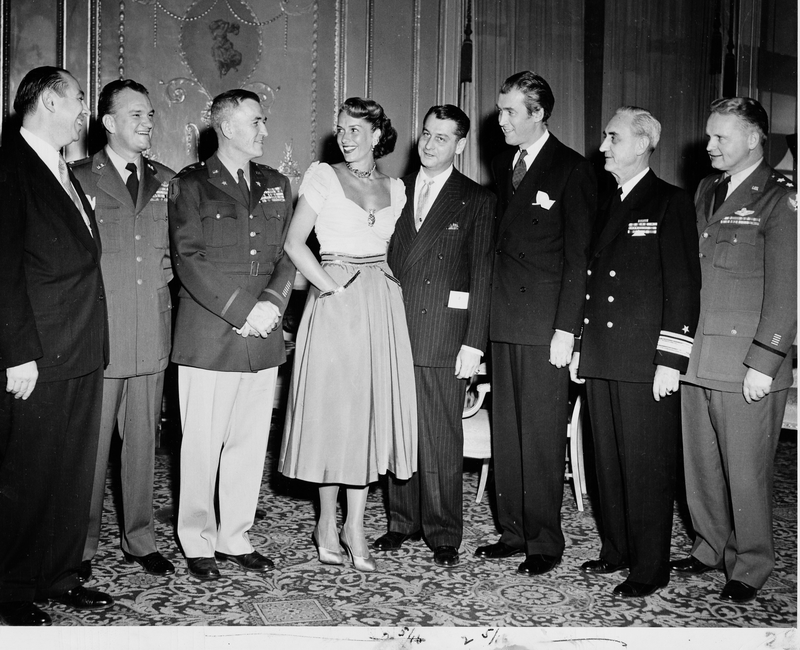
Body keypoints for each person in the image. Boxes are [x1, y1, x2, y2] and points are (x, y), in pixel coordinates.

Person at [279, 97, 417, 573]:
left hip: (380, 303)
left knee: (368, 416)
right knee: (336, 417)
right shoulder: (322, 176)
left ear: (378, 135)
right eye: (341, 129)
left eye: (356, 129)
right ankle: (325, 522)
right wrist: (329, 287)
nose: (346, 137)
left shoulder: (397, 188)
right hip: (337, 300)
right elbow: (295, 244)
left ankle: (354, 525)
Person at [569, 107, 701, 597]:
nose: (602, 146)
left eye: (612, 137)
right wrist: (583, 349)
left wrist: (671, 359)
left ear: (644, 143)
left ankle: (650, 567)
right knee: (608, 459)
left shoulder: (670, 201)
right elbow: (591, 281)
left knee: (645, 464)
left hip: (646, 360)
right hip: (604, 354)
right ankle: (617, 549)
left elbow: (683, 288)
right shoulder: (608, 200)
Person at [0, 66, 114, 626]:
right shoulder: (9, 167)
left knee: (71, 468)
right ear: (48, 101)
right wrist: (17, 352)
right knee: (26, 473)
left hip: (81, 346)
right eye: (76, 101)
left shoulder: (60, 170)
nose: (83, 113)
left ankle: (59, 575)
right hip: (37, 355)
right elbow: (2, 270)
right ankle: (11, 586)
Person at [672, 97, 797, 604]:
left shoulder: (780, 197)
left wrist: (764, 363)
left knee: (745, 471)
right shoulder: (706, 189)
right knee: (699, 464)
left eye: (720, 137)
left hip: (746, 362)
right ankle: (708, 546)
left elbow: (789, 289)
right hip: (697, 355)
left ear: (753, 138)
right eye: (709, 135)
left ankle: (750, 564)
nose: (709, 145)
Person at [168, 89, 295, 580]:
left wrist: (273, 303)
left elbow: (289, 252)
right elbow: (189, 259)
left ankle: (234, 536)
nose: (265, 130)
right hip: (212, 334)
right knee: (201, 445)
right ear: (225, 127)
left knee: (247, 443)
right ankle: (197, 541)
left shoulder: (276, 183)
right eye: (256, 122)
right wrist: (244, 310)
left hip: (262, 335)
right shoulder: (191, 185)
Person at [475, 71, 596, 577]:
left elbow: (578, 257)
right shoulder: (505, 165)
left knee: (541, 434)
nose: (500, 119)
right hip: (504, 317)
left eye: (509, 112)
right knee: (507, 431)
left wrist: (567, 330)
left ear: (538, 113)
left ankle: (545, 539)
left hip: (547, 325)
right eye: (500, 110)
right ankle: (513, 531)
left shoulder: (573, 169)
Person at [373, 105, 495, 567]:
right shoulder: (393, 190)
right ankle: (401, 522)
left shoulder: (477, 200)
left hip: (445, 334)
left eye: (442, 138)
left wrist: (474, 342)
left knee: (441, 435)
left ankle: (444, 532)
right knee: (400, 430)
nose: (429, 144)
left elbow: (483, 274)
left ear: (460, 145)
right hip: (395, 328)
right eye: (426, 133)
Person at [71, 79, 176, 580]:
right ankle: (80, 545)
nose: (147, 122)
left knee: (142, 447)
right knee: (89, 452)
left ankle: (140, 539)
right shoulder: (77, 179)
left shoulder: (167, 180)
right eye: (135, 115)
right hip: (101, 336)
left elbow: (175, 257)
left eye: (150, 114)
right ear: (108, 123)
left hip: (151, 334)